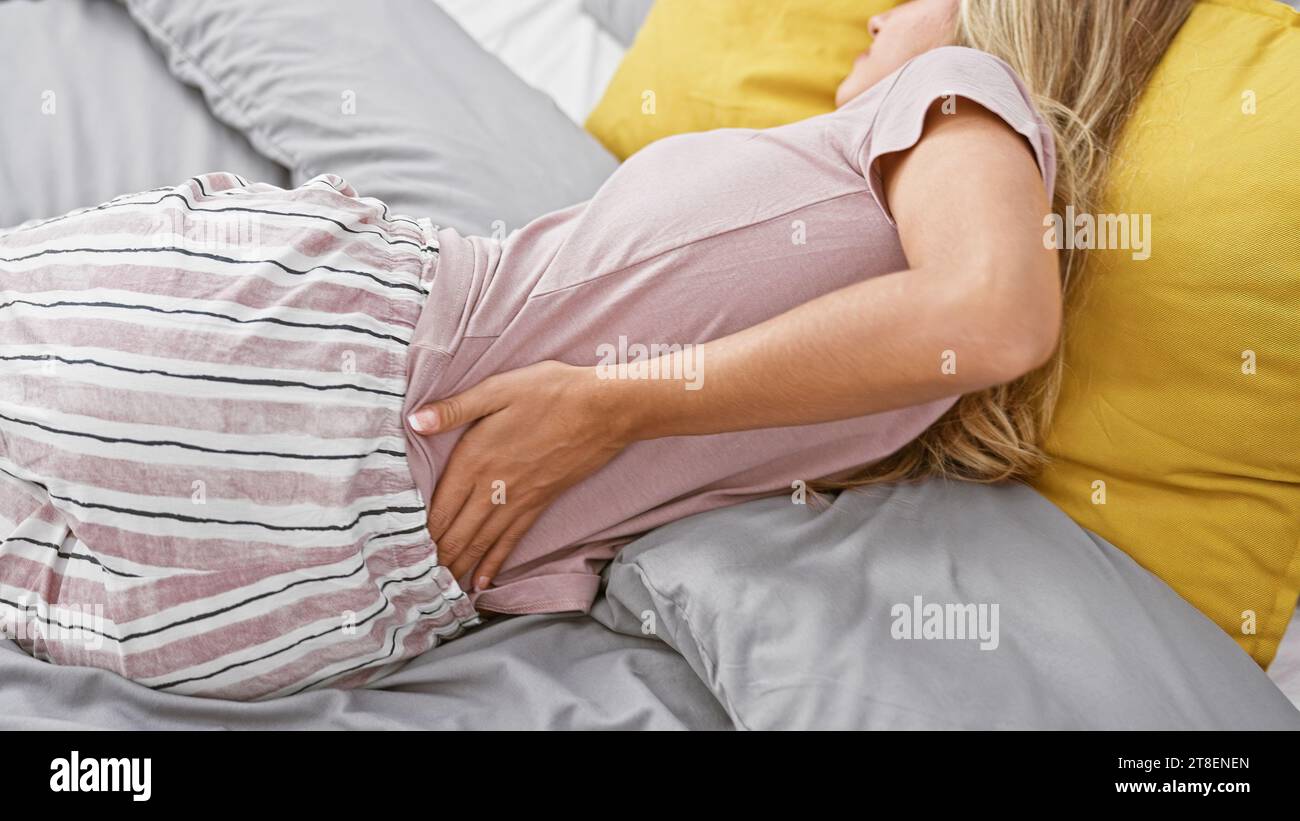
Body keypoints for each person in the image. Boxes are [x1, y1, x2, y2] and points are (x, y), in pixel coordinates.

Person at [0, 0, 1194, 699]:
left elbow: (992, 315)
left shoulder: (960, 89)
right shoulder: (876, 348)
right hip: (337, 587)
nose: (878, 12)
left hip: (326, 375)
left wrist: (618, 401)